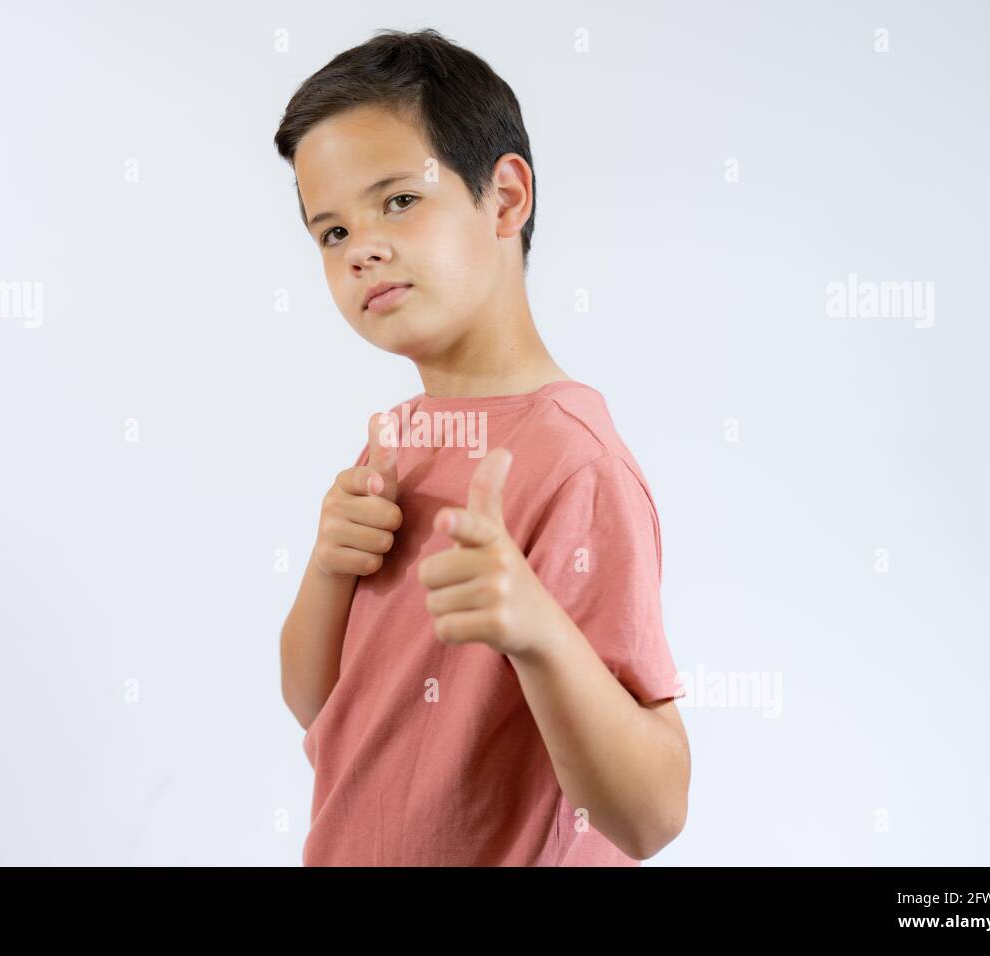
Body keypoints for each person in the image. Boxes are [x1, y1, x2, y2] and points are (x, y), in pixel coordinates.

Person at [275, 28, 690, 866]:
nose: (364, 250)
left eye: (397, 201)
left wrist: (538, 630)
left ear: (504, 198)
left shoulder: (575, 463)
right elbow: (318, 704)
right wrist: (328, 568)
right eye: (331, 233)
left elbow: (651, 813)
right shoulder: (393, 444)